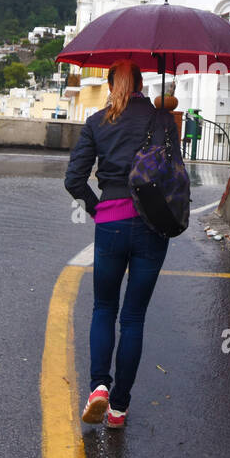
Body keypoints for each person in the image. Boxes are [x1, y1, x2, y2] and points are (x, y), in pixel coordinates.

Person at [63, 60, 171, 429]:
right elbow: (174, 174)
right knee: (133, 317)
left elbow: (74, 179)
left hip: (110, 224)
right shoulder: (160, 119)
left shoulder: (96, 122)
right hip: (151, 225)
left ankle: (98, 388)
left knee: (103, 308)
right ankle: (119, 409)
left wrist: (99, 210)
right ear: (141, 83)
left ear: (110, 85)